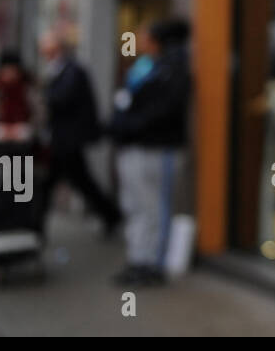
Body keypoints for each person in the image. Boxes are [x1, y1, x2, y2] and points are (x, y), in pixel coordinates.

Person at [108, 18, 191, 286]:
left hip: (158, 149)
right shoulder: (148, 67)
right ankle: (137, 259)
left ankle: (153, 264)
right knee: (136, 207)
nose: (141, 41)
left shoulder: (174, 69)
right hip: (135, 147)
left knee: (154, 208)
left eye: (146, 36)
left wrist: (128, 125)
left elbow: (162, 111)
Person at [37, 29, 122, 236]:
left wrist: (44, 95)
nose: (45, 54)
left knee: (70, 181)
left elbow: (62, 100)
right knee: (75, 181)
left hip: (67, 140)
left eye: (49, 50)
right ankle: (110, 215)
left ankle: (110, 215)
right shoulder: (59, 71)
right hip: (62, 139)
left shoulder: (72, 71)